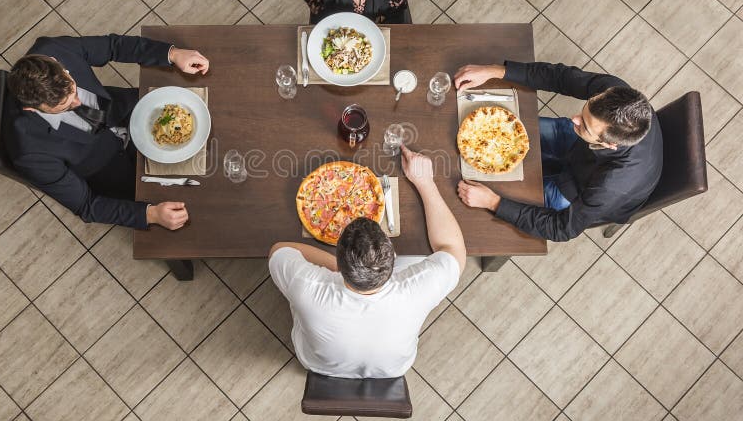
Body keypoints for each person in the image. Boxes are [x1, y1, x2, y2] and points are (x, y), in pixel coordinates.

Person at [268, 146, 465, 379]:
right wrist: (425, 183)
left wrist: (342, 266)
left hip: (317, 363)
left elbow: (278, 251)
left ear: (339, 262)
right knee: (423, 258)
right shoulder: (420, 288)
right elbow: (453, 249)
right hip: (393, 369)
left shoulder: (307, 287)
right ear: (391, 256)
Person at [5, 34, 209, 231]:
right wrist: (151, 214)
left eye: (73, 90)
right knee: (200, 203)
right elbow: (86, 205)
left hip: (128, 109)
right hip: (115, 171)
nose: (77, 102)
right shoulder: (29, 153)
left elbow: (114, 46)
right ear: (31, 109)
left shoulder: (53, 48)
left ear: (55, 61)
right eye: (64, 107)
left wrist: (171, 54)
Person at [454, 61, 663, 242]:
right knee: (499, 129)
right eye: (586, 109)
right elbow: (560, 77)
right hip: (580, 146)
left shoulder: (612, 187)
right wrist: (495, 71)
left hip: (581, 189)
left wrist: (493, 202)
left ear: (610, 145)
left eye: (585, 126)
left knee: (500, 190)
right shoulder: (613, 92)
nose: (574, 119)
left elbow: (563, 229)